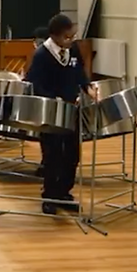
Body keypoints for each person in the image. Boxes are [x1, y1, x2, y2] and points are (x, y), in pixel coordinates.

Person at [25, 13, 96, 215]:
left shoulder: (72, 49)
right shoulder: (42, 55)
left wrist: (87, 88)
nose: (71, 40)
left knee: (72, 154)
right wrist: (54, 99)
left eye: (72, 36)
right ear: (55, 36)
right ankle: (49, 195)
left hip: (72, 110)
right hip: (51, 112)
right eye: (67, 37)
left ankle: (64, 193)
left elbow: (79, 72)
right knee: (52, 155)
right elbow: (34, 84)